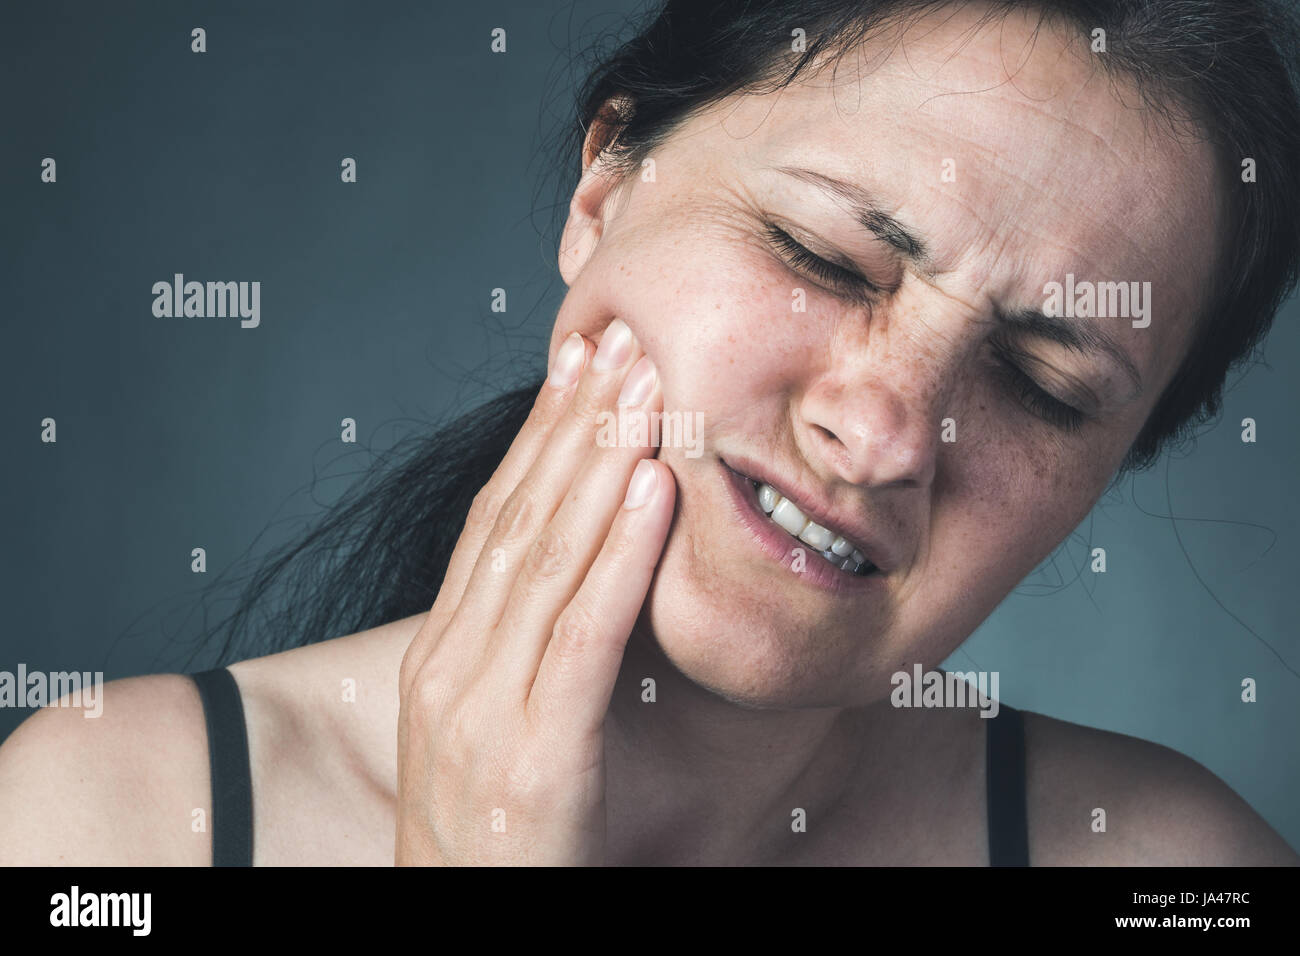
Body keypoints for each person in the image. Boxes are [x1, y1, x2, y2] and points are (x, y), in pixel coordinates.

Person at [3, 0, 1298, 866]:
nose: (883, 432)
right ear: (606, 187)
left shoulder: (1173, 869)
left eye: (1044, 384)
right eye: (821, 254)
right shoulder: (109, 822)